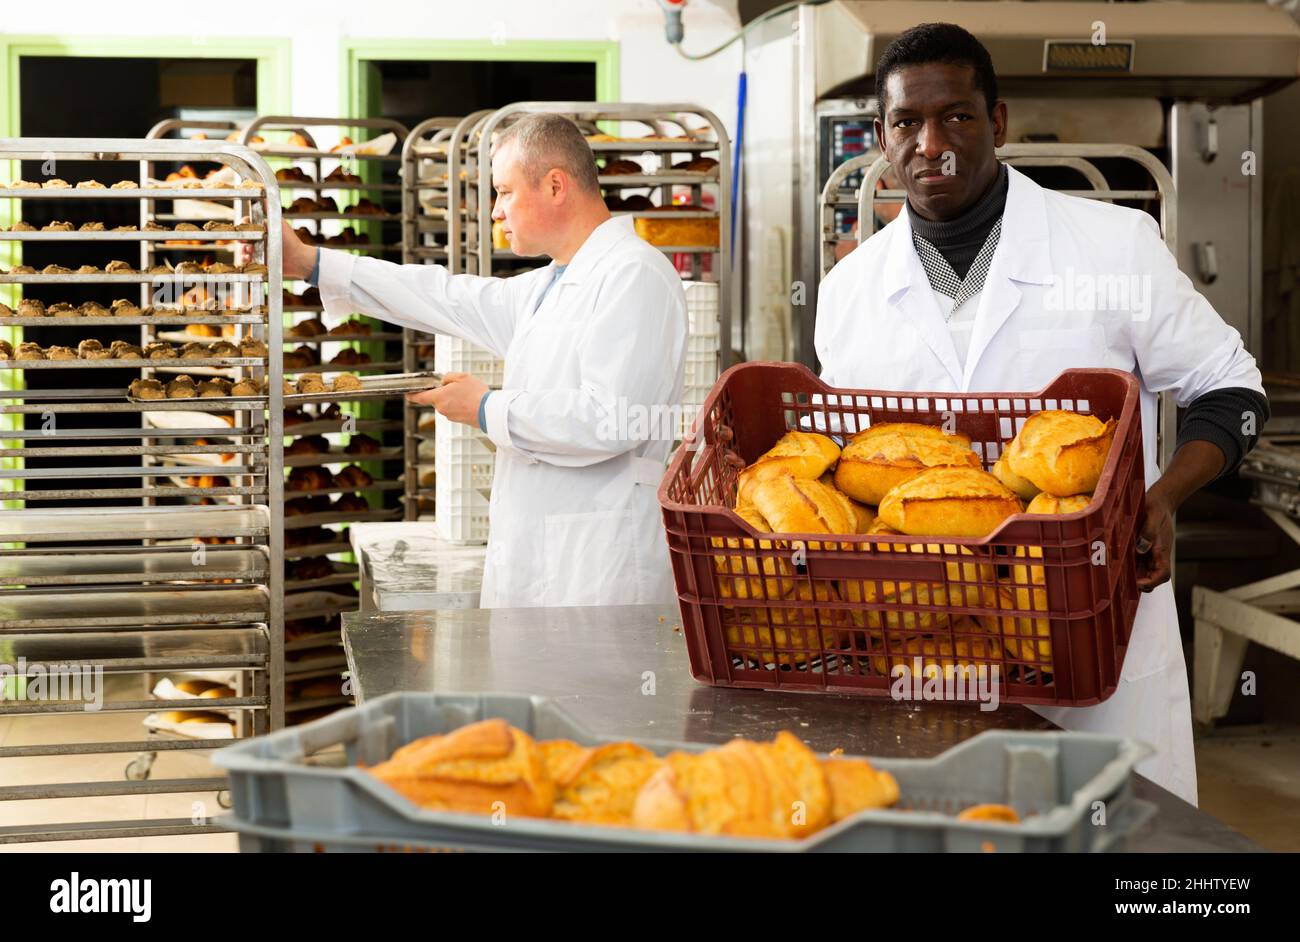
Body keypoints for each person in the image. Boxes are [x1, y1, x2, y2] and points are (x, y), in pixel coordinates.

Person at [816, 22, 1269, 806]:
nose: (931, 144)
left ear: (996, 123)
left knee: (1125, 856)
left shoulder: (1112, 246)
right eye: (906, 124)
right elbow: (838, 462)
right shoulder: (850, 290)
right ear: (882, 139)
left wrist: (1162, 501)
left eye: (955, 116)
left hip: (1093, 636)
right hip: (923, 648)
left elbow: (1233, 390)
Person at [276, 113, 688, 608]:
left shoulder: (634, 275)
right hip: (543, 563)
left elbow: (612, 419)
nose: (495, 211)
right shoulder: (551, 284)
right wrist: (312, 263)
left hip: (599, 572)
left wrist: (486, 408)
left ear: (556, 185)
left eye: (505, 192)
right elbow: (442, 297)